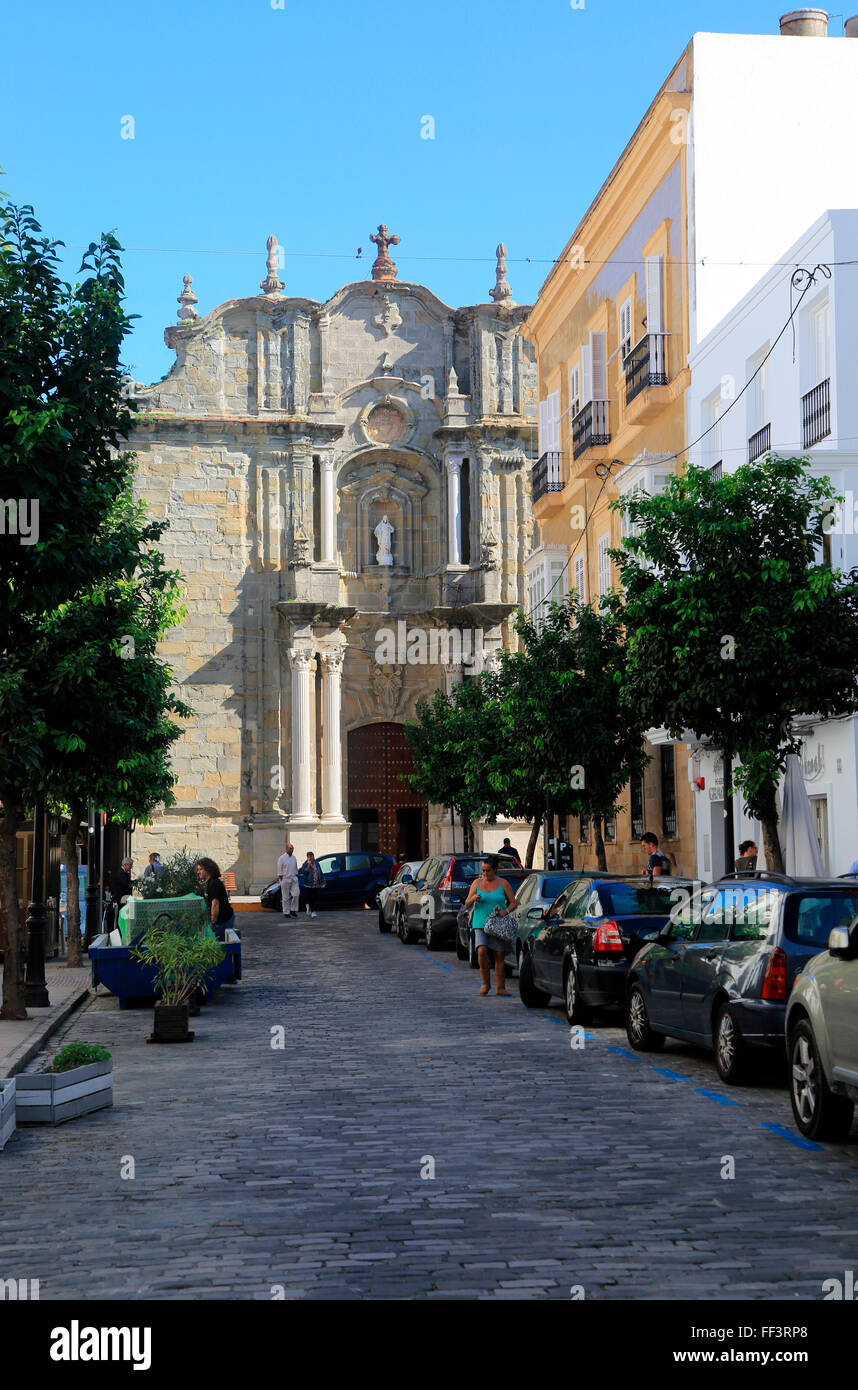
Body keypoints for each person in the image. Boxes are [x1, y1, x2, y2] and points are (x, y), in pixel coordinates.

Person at [464, 854, 518, 997]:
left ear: (495, 870)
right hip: (480, 923)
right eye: (483, 871)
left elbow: (513, 903)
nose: (485, 873)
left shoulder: (503, 884)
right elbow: (467, 903)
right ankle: (485, 984)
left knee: (499, 955)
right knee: (481, 951)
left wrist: (505, 911)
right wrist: (473, 898)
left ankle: (500, 987)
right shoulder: (476, 883)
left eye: (488, 870)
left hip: (497, 924)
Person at [195, 857, 235, 939]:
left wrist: (213, 922)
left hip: (223, 920)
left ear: (208, 869)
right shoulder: (209, 883)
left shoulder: (214, 883)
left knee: (221, 945)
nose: (198, 872)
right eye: (198, 869)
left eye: (200, 869)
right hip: (220, 920)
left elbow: (215, 904)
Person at [277, 841, 299, 917]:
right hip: (285, 879)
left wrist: (296, 875)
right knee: (285, 897)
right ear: (286, 849)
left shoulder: (294, 858)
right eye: (290, 848)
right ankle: (286, 912)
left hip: (293, 879)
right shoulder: (281, 858)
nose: (292, 850)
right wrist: (282, 880)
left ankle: (293, 910)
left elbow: (296, 867)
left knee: (296, 894)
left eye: (292, 848)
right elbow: (279, 870)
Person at [300, 851, 325, 917]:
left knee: (314, 898)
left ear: (313, 856)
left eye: (312, 856)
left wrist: (323, 880)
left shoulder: (317, 863)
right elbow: (304, 873)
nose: (311, 858)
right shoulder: (305, 864)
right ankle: (313, 912)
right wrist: (308, 865)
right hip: (309, 884)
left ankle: (308, 905)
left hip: (316, 884)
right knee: (312, 897)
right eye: (309, 857)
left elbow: (320, 872)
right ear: (307, 857)